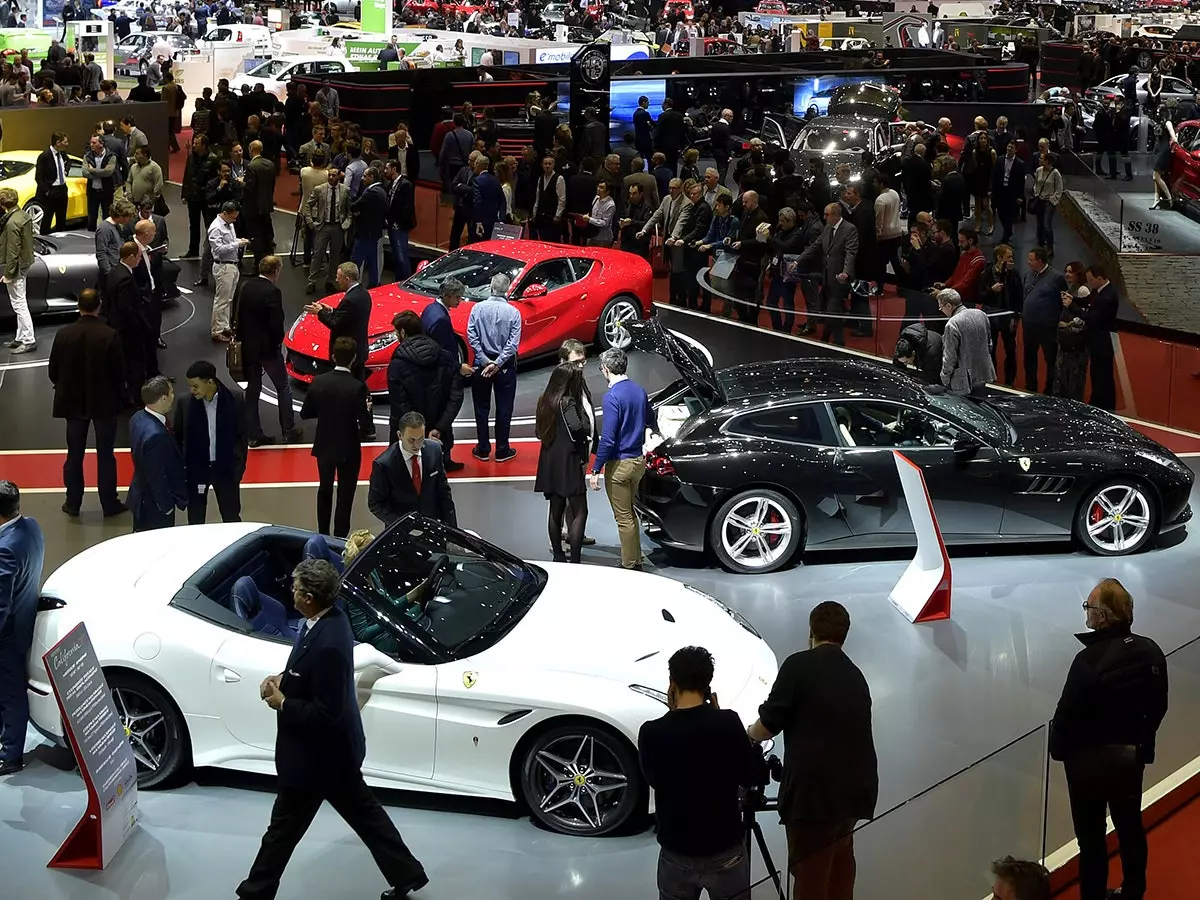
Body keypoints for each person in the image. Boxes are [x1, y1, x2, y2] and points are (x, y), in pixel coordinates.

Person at [236, 558, 429, 900]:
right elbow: (313, 676)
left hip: (317, 760)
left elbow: (325, 713)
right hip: (338, 755)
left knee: (281, 831)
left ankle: (255, 892)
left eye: (295, 589)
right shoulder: (332, 620)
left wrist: (283, 702)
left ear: (309, 597)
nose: (291, 593)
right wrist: (285, 678)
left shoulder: (327, 644)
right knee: (367, 817)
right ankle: (408, 873)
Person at [747, 601, 878, 900]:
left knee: (811, 873)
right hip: (855, 792)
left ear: (811, 631)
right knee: (840, 859)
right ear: (844, 634)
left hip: (815, 796)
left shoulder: (799, 665)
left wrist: (748, 736)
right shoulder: (855, 675)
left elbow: (768, 724)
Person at [1050, 579, 1168, 900]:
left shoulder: (1088, 661)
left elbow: (1065, 717)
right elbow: (1158, 707)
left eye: (1089, 607)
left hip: (1087, 766)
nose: (1086, 612)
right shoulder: (1152, 651)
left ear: (1102, 617)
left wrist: (1060, 751)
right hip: (1129, 762)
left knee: (1091, 841)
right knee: (1130, 831)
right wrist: (1141, 747)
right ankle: (1132, 893)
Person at [638, 646, 760, 900]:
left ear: (672, 682)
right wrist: (717, 717)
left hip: (677, 849)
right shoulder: (728, 722)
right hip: (725, 848)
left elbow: (654, 780)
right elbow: (748, 776)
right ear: (708, 683)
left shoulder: (652, 732)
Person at [49, 288, 126, 518]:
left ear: (79, 306)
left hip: (72, 403)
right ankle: (109, 503)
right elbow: (119, 373)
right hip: (103, 403)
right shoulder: (109, 335)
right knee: (106, 454)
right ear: (98, 305)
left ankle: (72, 502)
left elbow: (53, 371)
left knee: (74, 454)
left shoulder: (63, 334)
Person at [588, 348, 657, 571]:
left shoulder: (612, 397)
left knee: (623, 517)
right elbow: (649, 417)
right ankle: (636, 557)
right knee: (630, 513)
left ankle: (629, 564)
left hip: (619, 465)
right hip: (638, 462)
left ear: (606, 369)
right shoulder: (638, 390)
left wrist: (596, 468)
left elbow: (608, 438)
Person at [301, 337, 374, 537]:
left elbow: (305, 413)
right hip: (349, 446)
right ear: (354, 359)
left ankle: (323, 533)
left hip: (324, 442)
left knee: (324, 489)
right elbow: (366, 425)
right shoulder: (357, 387)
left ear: (333, 356)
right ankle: (340, 536)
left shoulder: (319, 381)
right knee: (345, 493)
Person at [0, 481, 45, 777]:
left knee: (11, 694)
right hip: (24, 621)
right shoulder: (32, 527)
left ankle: (11, 755)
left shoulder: (5, 550)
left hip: (7, 635)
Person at [238, 255, 302, 447]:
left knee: (253, 390)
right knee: (283, 387)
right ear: (276, 271)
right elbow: (276, 323)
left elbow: (238, 315)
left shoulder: (245, 286)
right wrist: (276, 346)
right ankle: (288, 430)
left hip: (248, 348)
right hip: (267, 350)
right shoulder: (272, 291)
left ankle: (253, 433)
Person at [173, 360, 247, 525]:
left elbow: (241, 436)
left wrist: (239, 466)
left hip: (226, 469)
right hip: (196, 470)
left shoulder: (235, 399)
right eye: (190, 386)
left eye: (196, 386)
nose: (192, 390)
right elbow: (177, 438)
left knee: (231, 516)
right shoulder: (185, 403)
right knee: (196, 518)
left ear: (210, 382)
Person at [534, 363, 591, 563]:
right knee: (580, 510)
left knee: (555, 508)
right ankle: (575, 559)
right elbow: (580, 429)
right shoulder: (568, 402)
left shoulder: (544, 400)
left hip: (549, 459)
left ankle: (558, 554)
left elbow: (537, 432)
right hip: (569, 459)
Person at [386, 310, 462, 449]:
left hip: (408, 437)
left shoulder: (397, 365)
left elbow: (399, 404)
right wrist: (440, 427)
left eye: (396, 332)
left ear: (402, 332)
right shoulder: (446, 357)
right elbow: (455, 397)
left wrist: (417, 432)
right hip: (440, 433)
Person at [467, 273, 521, 463]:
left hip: (481, 365)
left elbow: (471, 335)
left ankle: (482, 449)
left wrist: (484, 360)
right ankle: (502, 449)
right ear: (507, 289)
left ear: (490, 287)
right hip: (505, 367)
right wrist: (497, 363)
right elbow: (512, 345)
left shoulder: (477, 308)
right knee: (504, 409)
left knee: (481, 408)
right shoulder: (514, 313)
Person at [368, 412, 457, 527]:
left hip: (432, 526)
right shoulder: (384, 464)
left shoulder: (434, 451)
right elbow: (375, 504)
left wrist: (453, 530)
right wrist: (402, 525)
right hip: (402, 531)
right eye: (411, 440)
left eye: (420, 439)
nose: (416, 445)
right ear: (400, 435)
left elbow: (444, 494)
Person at [128, 375, 188, 532]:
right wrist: (167, 506)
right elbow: (157, 477)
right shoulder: (157, 436)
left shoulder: (137, 418)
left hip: (141, 497)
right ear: (163, 398)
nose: (173, 396)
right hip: (154, 507)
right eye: (171, 393)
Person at [305, 263, 372, 402]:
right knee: (360, 387)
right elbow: (349, 317)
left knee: (346, 391)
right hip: (360, 349)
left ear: (347, 279)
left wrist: (320, 312)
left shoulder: (350, 300)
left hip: (348, 352)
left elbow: (335, 324)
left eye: (339, 277)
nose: (336, 280)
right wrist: (332, 311)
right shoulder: (363, 294)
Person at [798, 203, 858, 346]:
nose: (824, 217)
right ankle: (833, 339)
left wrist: (846, 272)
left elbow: (851, 253)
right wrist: (799, 260)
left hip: (840, 279)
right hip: (825, 276)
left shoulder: (850, 229)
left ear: (836, 215)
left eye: (827, 214)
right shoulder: (827, 228)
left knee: (833, 309)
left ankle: (832, 340)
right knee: (832, 311)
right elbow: (815, 246)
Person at [106, 240, 150, 407]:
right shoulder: (125, 278)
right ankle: (134, 396)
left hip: (117, 326)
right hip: (128, 330)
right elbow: (125, 308)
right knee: (135, 363)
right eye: (139, 257)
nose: (140, 260)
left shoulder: (114, 272)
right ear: (131, 257)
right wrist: (138, 325)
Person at [1022, 247, 1068, 394]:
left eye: (1031, 260)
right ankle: (1031, 386)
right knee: (1029, 357)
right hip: (1029, 324)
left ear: (1040, 260)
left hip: (1047, 326)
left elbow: (1063, 302)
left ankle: (1050, 389)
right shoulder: (1028, 274)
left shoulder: (1057, 278)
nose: (1028, 263)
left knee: (1050, 359)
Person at [937, 288, 995, 394]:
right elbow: (989, 344)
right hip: (984, 372)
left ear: (949, 306)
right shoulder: (981, 314)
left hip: (963, 380)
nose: (941, 310)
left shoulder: (953, 323)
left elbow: (950, 357)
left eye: (941, 307)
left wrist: (944, 378)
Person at [980, 243, 1022, 387]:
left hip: (1007, 316)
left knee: (1010, 350)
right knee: (990, 348)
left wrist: (1016, 317)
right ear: (999, 257)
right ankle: (991, 378)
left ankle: (1010, 381)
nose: (1012, 260)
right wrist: (991, 290)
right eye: (1008, 257)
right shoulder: (987, 273)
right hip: (991, 316)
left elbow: (1018, 296)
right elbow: (979, 295)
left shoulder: (1014, 274)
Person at [304, 166, 350, 295]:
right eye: (329, 175)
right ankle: (312, 281)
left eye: (334, 175)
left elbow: (349, 209)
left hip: (338, 227)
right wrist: (310, 221)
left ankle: (330, 280)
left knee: (335, 256)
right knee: (318, 254)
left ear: (339, 176)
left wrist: (346, 223)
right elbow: (308, 205)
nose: (331, 177)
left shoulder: (345, 190)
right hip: (323, 226)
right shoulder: (320, 189)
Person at [208, 200, 249, 342]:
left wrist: (237, 240)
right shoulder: (216, 228)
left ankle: (225, 326)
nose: (235, 220)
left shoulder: (229, 224)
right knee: (221, 300)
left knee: (228, 299)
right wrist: (237, 244)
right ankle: (217, 330)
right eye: (233, 217)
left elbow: (228, 241)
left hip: (232, 265)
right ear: (224, 213)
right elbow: (218, 249)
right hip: (223, 266)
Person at [0, 187, 34, 354]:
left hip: (17, 266)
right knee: (21, 301)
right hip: (25, 262)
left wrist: (8, 273)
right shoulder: (22, 216)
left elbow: (12, 251)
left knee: (19, 304)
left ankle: (28, 339)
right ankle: (20, 337)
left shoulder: (12, 223)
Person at [349, 167, 387, 288]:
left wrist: (357, 212)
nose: (362, 178)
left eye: (365, 176)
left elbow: (354, 206)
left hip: (365, 233)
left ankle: (352, 287)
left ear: (372, 177)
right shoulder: (381, 190)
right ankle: (373, 286)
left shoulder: (372, 192)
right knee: (373, 262)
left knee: (355, 262)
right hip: (374, 233)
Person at [243, 140, 277, 268]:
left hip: (253, 207)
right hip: (266, 204)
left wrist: (241, 182)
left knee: (255, 235)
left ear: (251, 150)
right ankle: (270, 259)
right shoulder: (270, 164)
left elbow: (250, 188)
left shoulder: (251, 166)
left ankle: (258, 263)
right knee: (266, 232)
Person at [384, 160, 415, 281]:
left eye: (387, 168)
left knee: (402, 254)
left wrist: (398, 223)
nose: (385, 171)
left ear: (394, 169)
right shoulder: (391, 184)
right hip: (392, 224)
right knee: (396, 254)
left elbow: (407, 207)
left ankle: (405, 280)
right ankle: (398, 279)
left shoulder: (405, 184)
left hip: (400, 226)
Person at [34, 131, 70, 235]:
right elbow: (38, 177)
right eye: (65, 142)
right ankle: (45, 241)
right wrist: (47, 191)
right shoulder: (44, 156)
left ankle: (60, 240)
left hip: (62, 189)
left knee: (61, 218)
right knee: (47, 219)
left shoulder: (62, 153)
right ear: (58, 143)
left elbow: (69, 161)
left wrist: (66, 170)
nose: (67, 144)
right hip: (51, 191)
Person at [991, 140, 1026, 247]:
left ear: (1016, 149)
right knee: (1000, 213)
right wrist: (992, 190)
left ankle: (1005, 238)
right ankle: (1008, 231)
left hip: (1012, 192)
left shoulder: (1020, 164)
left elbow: (1021, 181)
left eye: (1012, 147)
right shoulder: (1000, 160)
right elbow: (995, 175)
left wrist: (1020, 196)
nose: (1009, 149)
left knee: (1009, 215)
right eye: (1008, 146)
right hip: (1000, 191)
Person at [1032, 153, 1063, 258]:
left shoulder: (1055, 173)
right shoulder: (1038, 170)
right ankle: (1040, 246)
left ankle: (1050, 247)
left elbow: (1059, 188)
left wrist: (1052, 199)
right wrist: (1036, 193)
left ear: (1047, 161)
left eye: (1041, 158)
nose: (1039, 159)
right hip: (1040, 200)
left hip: (1048, 202)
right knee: (1039, 224)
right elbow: (1036, 184)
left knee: (1046, 225)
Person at [83, 133, 116, 231]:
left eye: (94, 142)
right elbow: (85, 172)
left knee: (107, 216)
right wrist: (101, 172)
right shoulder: (87, 156)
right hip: (92, 191)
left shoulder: (111, 156)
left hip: (106, 191)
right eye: (91, 142)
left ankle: (106, 234)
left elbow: (109, 172)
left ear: (101, 144)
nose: (91, 145)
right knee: (92, 216)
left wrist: (92, 170)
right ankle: (91, 236)